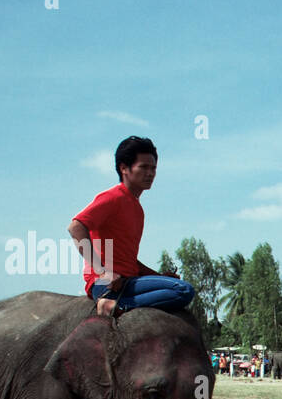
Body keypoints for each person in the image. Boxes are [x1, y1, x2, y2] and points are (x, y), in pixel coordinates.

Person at [68, 136, 195, 318]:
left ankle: (120, 304)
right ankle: (118, 306)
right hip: (105, 283)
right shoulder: (113, 197)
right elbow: (76, 227)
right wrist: (103, 271)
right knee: (183, 290)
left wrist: (159, 276)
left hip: (128, 281)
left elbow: (129, 260)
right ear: (124, 168)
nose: (150, 173)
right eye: (143, 167)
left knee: (177, 288)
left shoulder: (136, 209)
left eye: (153, 168)